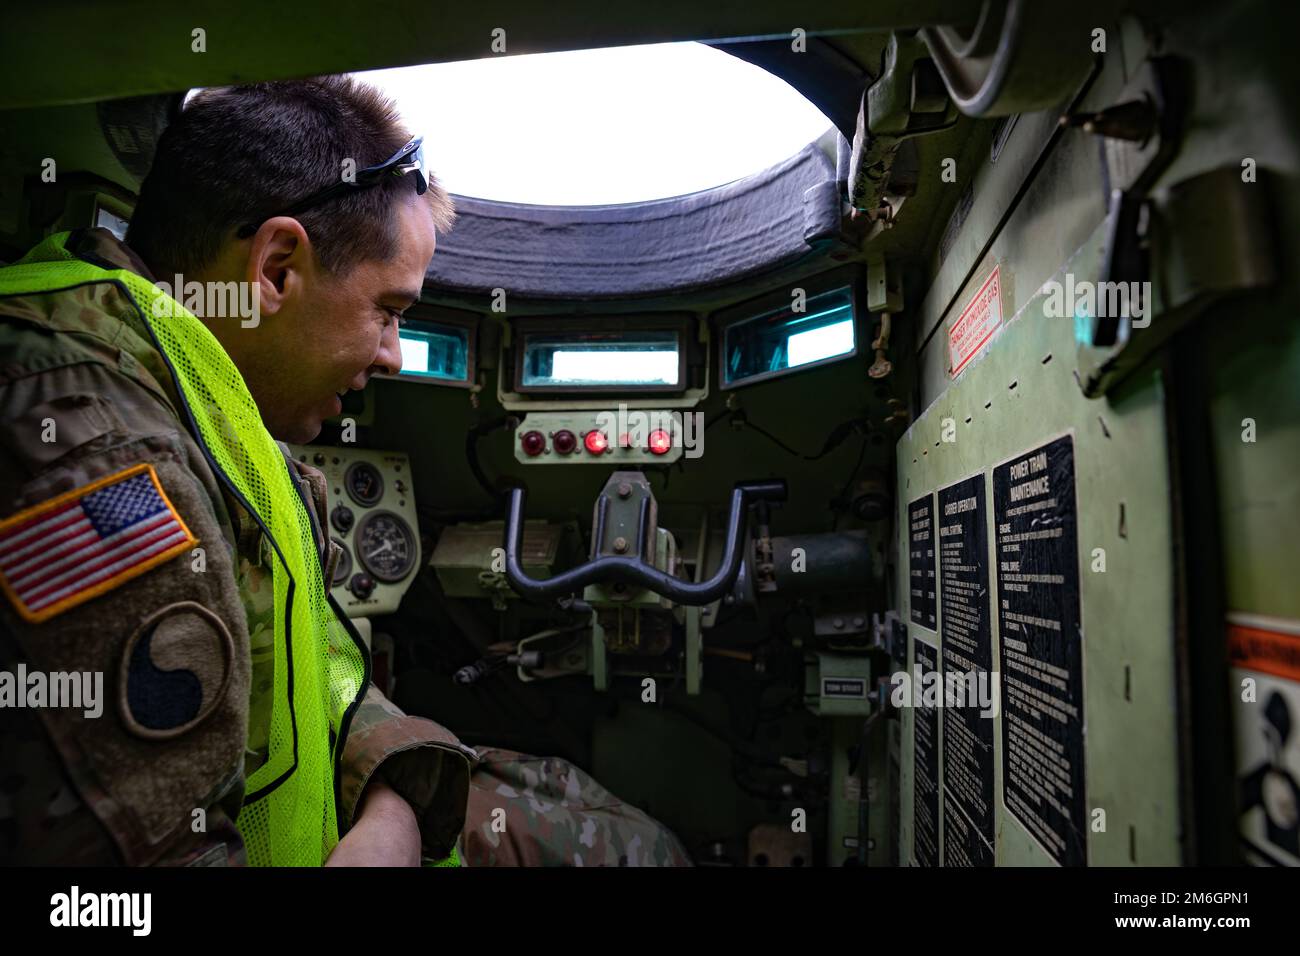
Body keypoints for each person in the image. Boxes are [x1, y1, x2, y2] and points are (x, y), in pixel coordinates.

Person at [0, 75, 688, 867]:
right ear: (277, 267)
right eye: (388, 312)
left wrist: (394, 787)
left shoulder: (204, 400)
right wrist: (392, 835)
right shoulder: (108, 457)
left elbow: (317, 668)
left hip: (355, 800)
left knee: (630, 833)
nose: (393, 355)